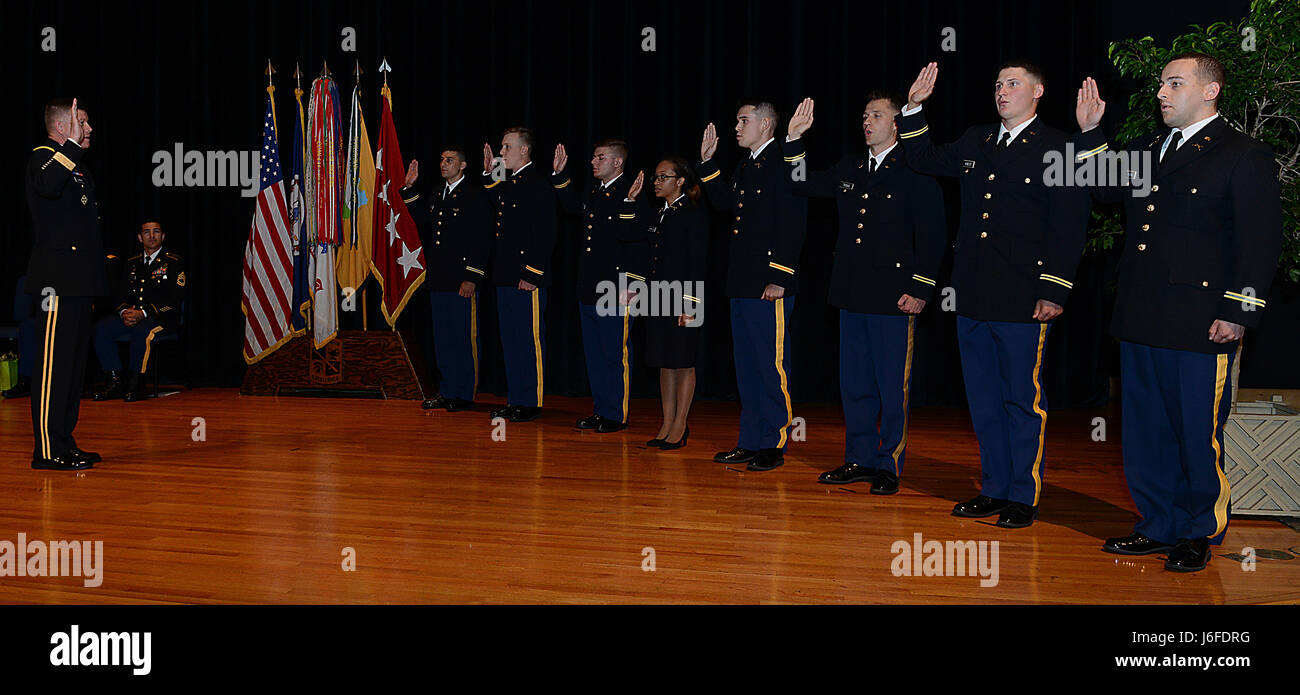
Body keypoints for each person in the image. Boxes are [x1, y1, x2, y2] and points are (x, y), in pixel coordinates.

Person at [1074, 54, 1283, 571]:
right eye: (1161, 84)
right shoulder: (1149, 149)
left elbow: (1260, 242)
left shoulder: (1242, 154)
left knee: (1195, 431)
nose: (1162, 93)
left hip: (1201, 320)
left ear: (1210, 91)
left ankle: (1197, 531)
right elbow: (1100, 188)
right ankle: (1157, 524)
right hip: (1142, 313)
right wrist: (1090, 132)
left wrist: (1240, 310)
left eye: (1175, 83)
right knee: (1146, 429)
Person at [897, 61, 1092, 527]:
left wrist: (1055, 289)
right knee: (983, 398)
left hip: (1025, 294)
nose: (1002, 92)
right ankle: (994, 488)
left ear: (1038, 91)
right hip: (972, 291)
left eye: (1013, 84)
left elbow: (1068, 227)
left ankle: (1023, 495)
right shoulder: (975, 139)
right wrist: (913, 109)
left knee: (1021, 399)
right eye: (997, 84)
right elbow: (921, 159)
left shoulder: (1058, 146)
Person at [785, 92, 947, 495]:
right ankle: (858, 458)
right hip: (851, 291)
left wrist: (921, 287)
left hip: (893, 295)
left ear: (896, 124)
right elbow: (801, 184)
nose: (867, 121)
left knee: (891, 384)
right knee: (854, 382)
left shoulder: (914, 169)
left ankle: (888, 463)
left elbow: (932, 233)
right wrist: (793, 141)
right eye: (864, 114)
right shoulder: (849, 166)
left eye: (876, 114)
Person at [697, 98, 810, 472]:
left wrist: (780, 275)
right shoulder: (748, 165)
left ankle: (774, 442)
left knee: (771, 364)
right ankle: (750, 439)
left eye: (743, 120)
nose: (736, 127)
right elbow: (725, 204)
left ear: (765, 125)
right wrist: (708, 164)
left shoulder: (782, 161)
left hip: (768, 282)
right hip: (742, 281)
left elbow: (794, 219)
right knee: (746, 365)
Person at [26, 97, 108, 471]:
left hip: (77, 282)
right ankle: (46, 449)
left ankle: (64, 442)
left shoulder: (76, 166)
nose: (88, 129)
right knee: (53, 367)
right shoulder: (43, 157)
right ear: (63, 127)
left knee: (73, 368)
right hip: (55, 285)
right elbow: (46, 185)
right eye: (82, 123)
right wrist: (71, 147)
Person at [551, 139, 648, 433]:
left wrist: (634, 286)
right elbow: (571, 208)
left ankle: (616, 414)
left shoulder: (632, 192)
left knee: (613, 353)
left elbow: (640, 243)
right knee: (594, 353)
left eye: (600, 157)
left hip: (617, 288)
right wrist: (559, 176)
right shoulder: (594, 190)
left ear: (618, 162)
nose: (593, 162)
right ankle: (600, 409)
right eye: (593, 157)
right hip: (591, 286)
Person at [622, 158, 709, 450]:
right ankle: (666, 421)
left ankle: (680, 424)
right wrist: (630, 200)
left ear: (680, 180)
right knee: (664, 361)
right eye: (655, 178)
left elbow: (697, 262)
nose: (656, 182)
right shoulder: (660, 212)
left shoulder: (692, 213)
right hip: (658, 296)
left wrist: (691, 304)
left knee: (682, 361)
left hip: (684, 296)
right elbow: (631, 235)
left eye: (663, 177)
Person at [401, 147, 493, 412]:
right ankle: (447, 390)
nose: (443, 164)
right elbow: (423, 220)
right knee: (443, 338)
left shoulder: (475, 195)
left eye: (449, 160)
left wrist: (472, 277)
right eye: (441, 160)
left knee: (463, 337)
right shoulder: (437, 194)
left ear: (463, 165)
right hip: (439, 278)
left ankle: (465, 394)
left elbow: (482, 239)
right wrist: (408, 190)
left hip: (461, 279)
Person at [481, 127, 558, 423]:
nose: (502, 152)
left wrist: (533, 273)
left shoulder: (537, 184)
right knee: (511, 340)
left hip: (527, 277)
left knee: (529, 340)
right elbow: (496, 197)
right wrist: (491, 171)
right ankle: (517, 399)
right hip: (506, 275)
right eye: (502, 147)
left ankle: (530, 401)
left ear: (524, 150)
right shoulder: (513, 183)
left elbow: (546, 232)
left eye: (507, 147)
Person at [91, 221, 186, 402]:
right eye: (147, 232)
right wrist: (124, 312)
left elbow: (175, 299)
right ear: (140, 237)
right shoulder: (131, 263)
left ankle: (137, 383)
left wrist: (143, 313)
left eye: (156, 232)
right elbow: (118, 294)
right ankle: (115, 382)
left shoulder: (173, 262)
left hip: (162, 318)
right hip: (132, 316)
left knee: (143, 331)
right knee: (102, 329)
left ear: (163, 236)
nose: (152, 236)